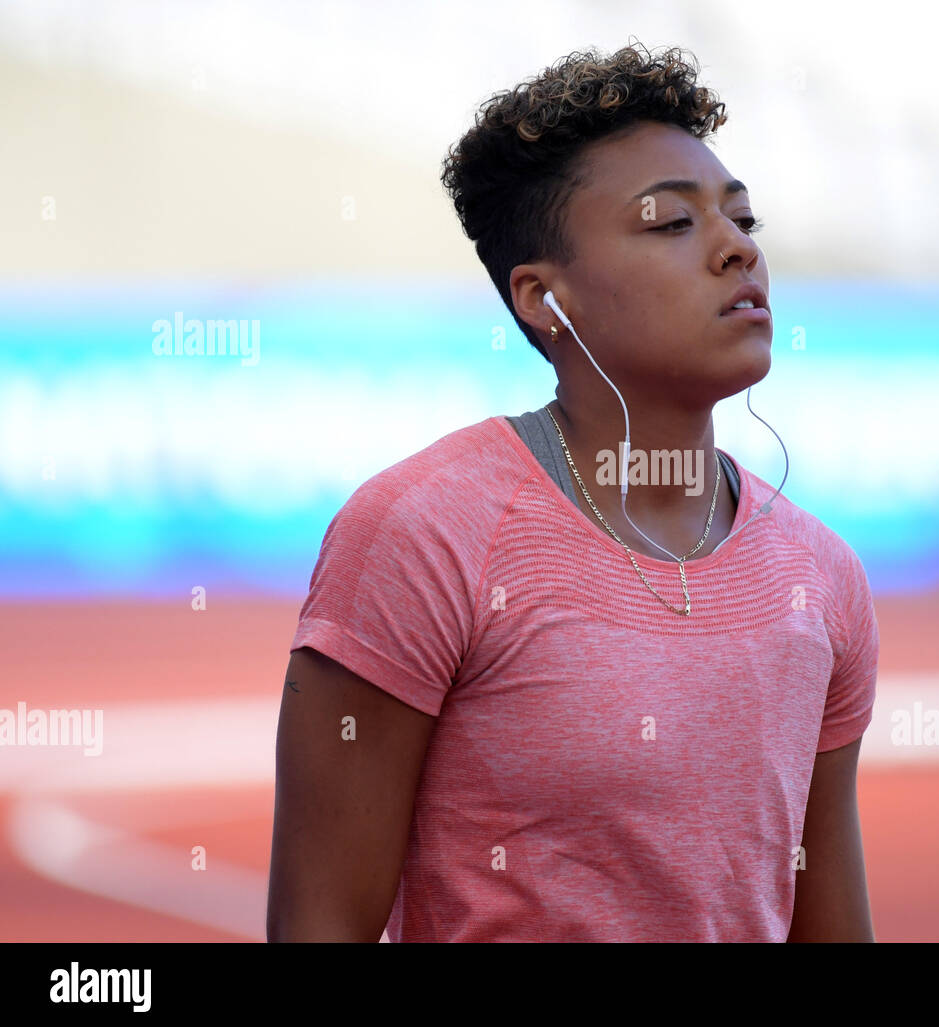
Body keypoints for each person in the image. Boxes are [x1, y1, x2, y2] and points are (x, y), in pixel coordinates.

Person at [266, 41, 879, 943]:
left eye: (744, 219)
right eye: (671, 223)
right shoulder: (423, 535)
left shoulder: (822, 578)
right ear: (545, 301)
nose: (736, 249)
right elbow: (321, 925)